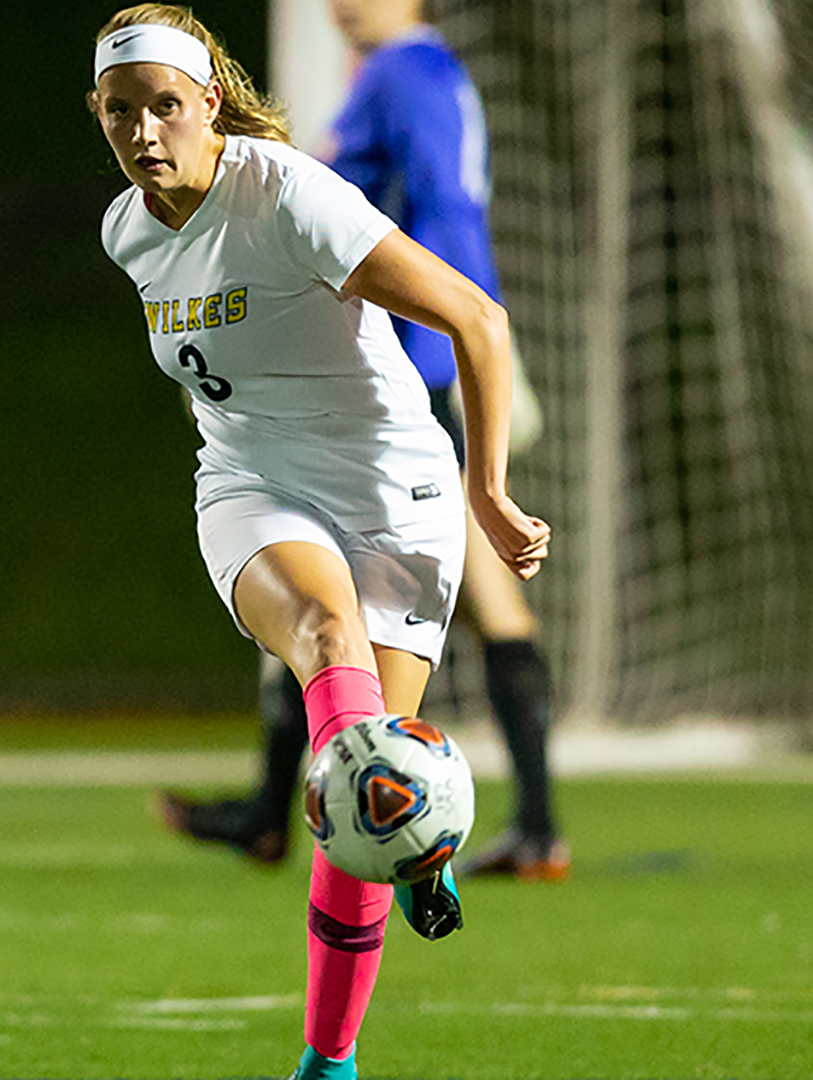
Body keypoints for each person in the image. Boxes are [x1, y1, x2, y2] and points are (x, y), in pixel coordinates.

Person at [90, 5, 549, 1077]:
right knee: (325, 642)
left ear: (208, 103)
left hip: (397, 495)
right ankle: (332, 1069)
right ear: (98, 116)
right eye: (122, 112)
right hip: (252, 490)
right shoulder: (125, 232)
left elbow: (477, 321)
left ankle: (331, 1044)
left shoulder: (285, 194)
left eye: (166, 105)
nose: (146, 131)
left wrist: (487, 489)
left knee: (364, 806)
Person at [157, 0, 570, 882]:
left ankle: (517, 825)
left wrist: (433, 358)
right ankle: (287, 810)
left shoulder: (403, 75)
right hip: (412, 361)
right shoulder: (412, 73)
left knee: (371, 604)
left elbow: (449, 217)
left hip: (412, 372)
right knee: (338, 605)